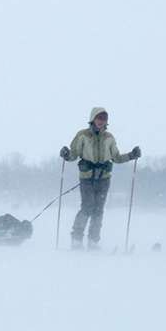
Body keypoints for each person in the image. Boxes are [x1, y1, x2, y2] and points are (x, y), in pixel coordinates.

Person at [60, 107, 140, 250]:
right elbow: (73, 154)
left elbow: (116, 158)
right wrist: (66, 155)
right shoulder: (82, 135)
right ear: (93, 118)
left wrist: (132, 155)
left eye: (104, 119)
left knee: (99, 210)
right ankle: (77, 239)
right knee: (87, 207)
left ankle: (93, 240)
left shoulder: (109, 138)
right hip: (87, 178)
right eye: (99, 118)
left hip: (104, 179)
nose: (101, 121)